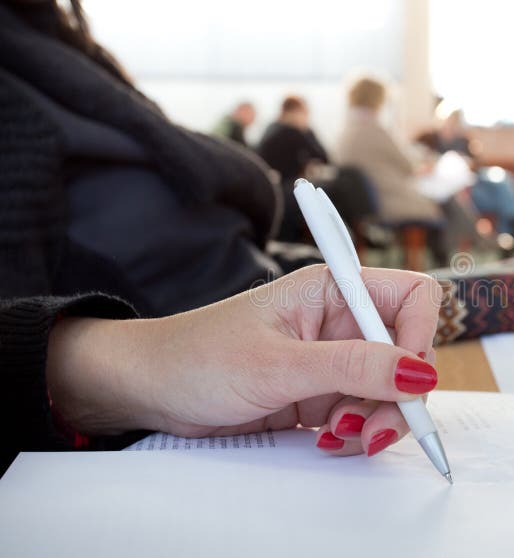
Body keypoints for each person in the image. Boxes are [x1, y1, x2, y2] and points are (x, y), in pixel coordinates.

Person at [0, 0, 440, 473]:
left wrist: (315, 277)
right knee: (487, 296)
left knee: (448, 301)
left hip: (274, 316)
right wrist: (134, 369)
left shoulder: (54, 38)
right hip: (210, 348)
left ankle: (480, 294)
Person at [336, 77, 478, 265]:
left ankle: (460, 249)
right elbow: (408, 165)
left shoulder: (345, 131)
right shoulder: (374, 129)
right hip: (391, 199)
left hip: (371, 198)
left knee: (444, 199)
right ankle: (457, 255)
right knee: (446, 199)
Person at [417, 105, 514, 250]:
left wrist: (464, 162)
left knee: (503, 178)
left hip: (469, 179)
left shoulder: (464, 140)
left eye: (457, 123)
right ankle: (506, 236)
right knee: (484, 196)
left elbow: (476, 164)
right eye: (451, 121)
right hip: (449, 186)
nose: (453, 126)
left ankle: (511, 229)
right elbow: (419, 161)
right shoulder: (428, 138)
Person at [256, 95, 374, 241]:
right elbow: (323, 156)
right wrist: (307, 130)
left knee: (344, 181)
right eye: (305, 113)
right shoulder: (291, 131)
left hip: (279, 192)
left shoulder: (271, 128)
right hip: (290, 192)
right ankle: (357, 231)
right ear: (296, 112)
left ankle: (355, 230)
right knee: (347, 179)